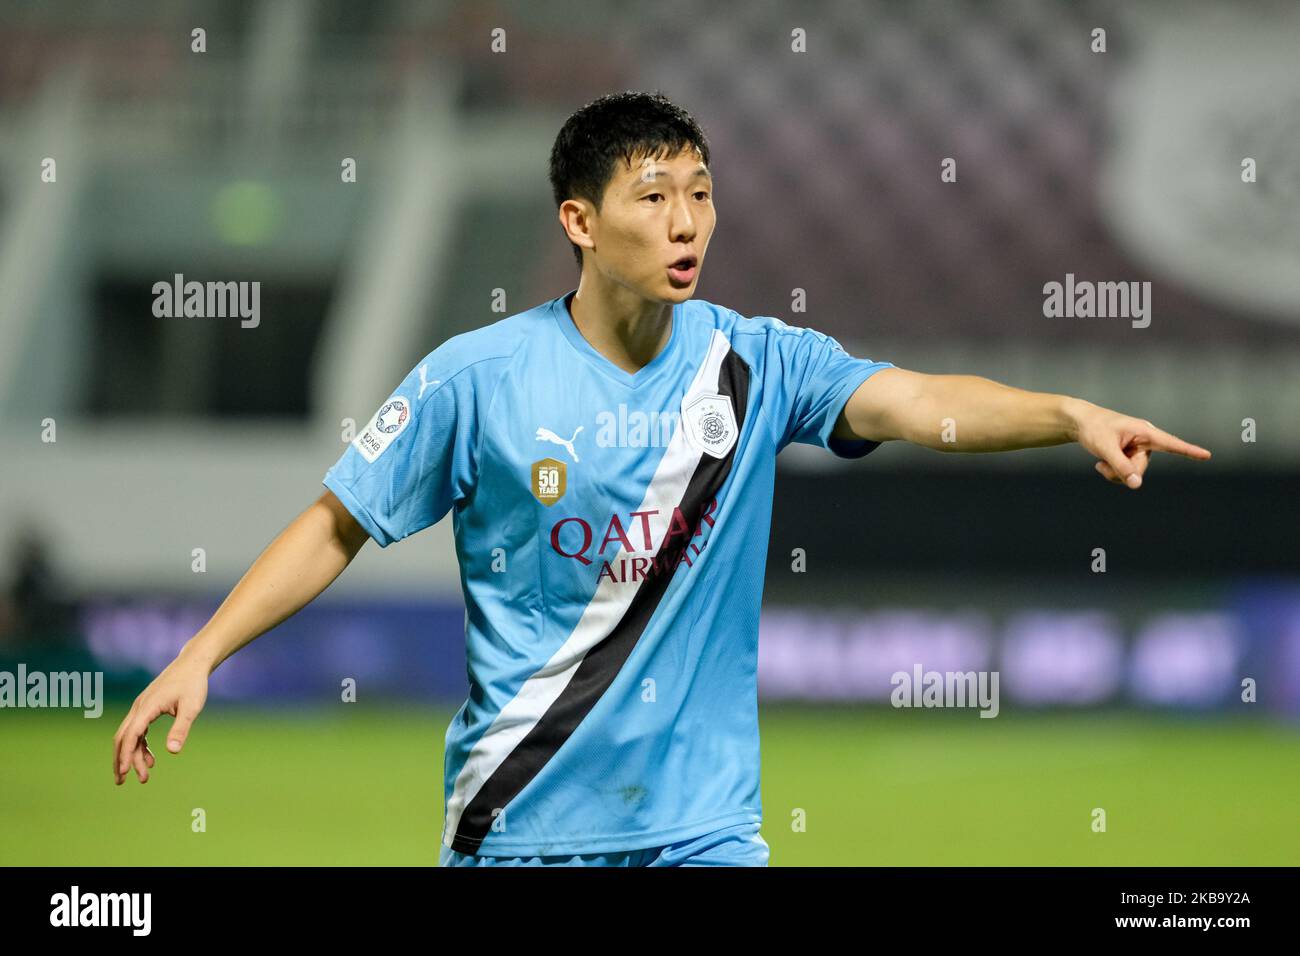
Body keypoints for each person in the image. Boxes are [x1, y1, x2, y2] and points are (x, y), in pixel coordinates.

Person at [112, 90, 1212, 866]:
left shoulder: (756, 362)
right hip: (521, 817)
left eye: (699, 190)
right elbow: (337, 523)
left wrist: (1068, 412)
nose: (686, 220)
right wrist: (201, 652)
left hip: (704, 832)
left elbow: (920, 403)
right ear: (579, 222)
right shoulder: (477, 378)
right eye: (651, 196)